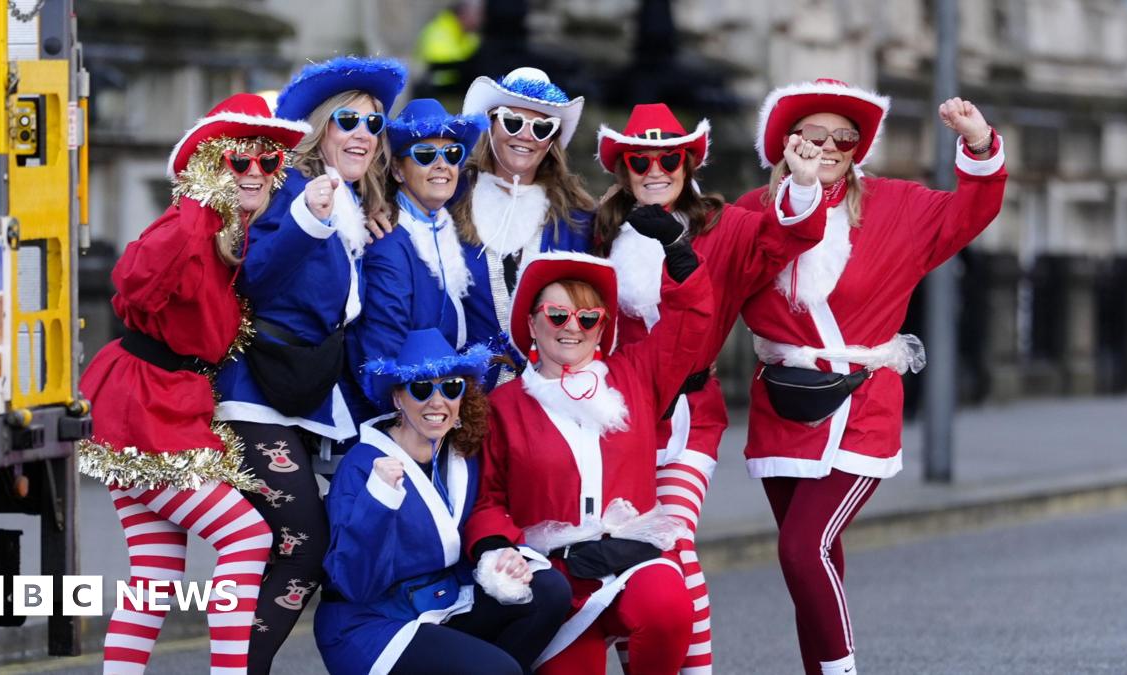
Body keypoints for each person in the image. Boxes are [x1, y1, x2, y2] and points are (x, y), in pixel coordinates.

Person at [732, 78, 1007, 675]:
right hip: (782, 404)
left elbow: (971, 210)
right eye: (814, 135)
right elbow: (718, 285)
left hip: (863, 405)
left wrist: (981, 145)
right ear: (786, 141)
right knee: (814, 559)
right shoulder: (752, 211)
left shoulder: (898, 205)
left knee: (802, 549)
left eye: (846, 138)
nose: (830, 147)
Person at [76, 92, 310, 673]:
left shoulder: (237, 229)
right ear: (210, 164)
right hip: (146, 403)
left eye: (268, 162)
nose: (256, 172)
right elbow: (131, 285)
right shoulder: (192, 222)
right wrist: (195, 217)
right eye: (239, 161)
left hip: (164, 400)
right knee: (248, 539)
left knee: (155, 573)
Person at [593, 102, 828, 675]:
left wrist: (801, 182)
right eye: (640, 160)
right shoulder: (597, 230)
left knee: (670, 544)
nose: (655, 170)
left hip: (689, 416)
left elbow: (784, 239)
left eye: (668, 158)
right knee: (623, 557)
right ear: (623, 168)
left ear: (688, 162)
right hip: (610, 419)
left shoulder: (723, 229)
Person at [211, 56, 407, 673]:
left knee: (295, 547)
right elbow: (256, 278)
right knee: (303, 543)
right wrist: (307, 219)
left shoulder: (352, 205)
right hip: (251, 394)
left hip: (303, 397)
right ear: (320, 128)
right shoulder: (293, 188)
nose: (361, 134)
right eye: (346, 120)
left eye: (373, 126)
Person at [463, 232, 716, 675]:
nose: (572, 327)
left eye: (587, 317)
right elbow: (489, 499)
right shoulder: (505, 406)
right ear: (532, 322)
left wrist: (679, 257)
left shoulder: (636, 373)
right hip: (557, 576)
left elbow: (691, 323)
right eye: (557, 314)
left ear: (602, 327)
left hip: (631, 558)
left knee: (670, 608)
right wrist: (494, 549)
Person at [315, 329, 572, 675]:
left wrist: (502, 553)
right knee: (499, 670)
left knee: (549, 591)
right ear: (397, 399)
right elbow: (354, 582)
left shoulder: (461, 456)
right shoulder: (363, 466)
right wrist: (380, 499)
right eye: (421, 388)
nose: (438, 402)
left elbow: (484, 513)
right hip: (373, 625)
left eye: (451, 388)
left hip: (445, 602)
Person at [455, 66, 596, 390]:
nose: (526, 135)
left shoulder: (577, 218)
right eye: (513, 121)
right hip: (462, 399)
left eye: (542, 128)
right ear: (490, 124)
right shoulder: (449, 199)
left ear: (552, 141)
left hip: (549, 398)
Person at [348, 98, 488, 414]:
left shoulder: (445, 225)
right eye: (425, 155)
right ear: (397, 169)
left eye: (452, 154)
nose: (442, 165)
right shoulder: (388, 243)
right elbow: (383, 358)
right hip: (405, 417)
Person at [414, 0, 484, 94]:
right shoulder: (440, 29)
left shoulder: (471, 35)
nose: (482, 19)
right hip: (438, 92)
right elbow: (438, 65)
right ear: (464, 13)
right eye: (478, 14)